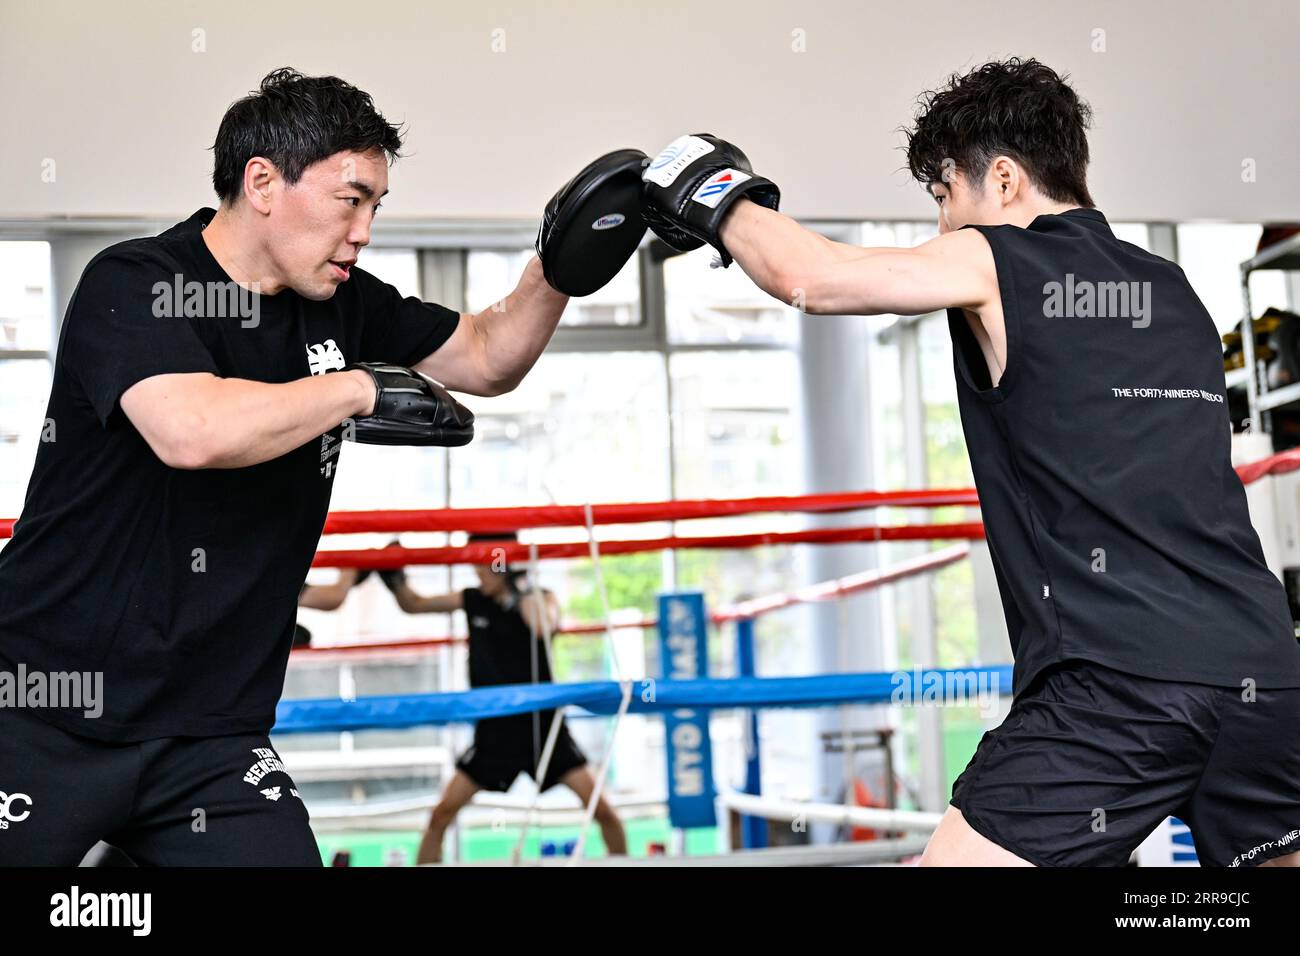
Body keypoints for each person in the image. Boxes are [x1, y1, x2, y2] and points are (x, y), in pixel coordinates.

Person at [639, 58, 1300, 867]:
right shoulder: (1175, 291)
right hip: (1266, 677)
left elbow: (811, 279)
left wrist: (710, 188)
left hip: (1118, 687)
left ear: (1006, 177)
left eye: (945, 197)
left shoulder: (1000, 260)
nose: (945, 227)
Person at [0, 67, 631, 866]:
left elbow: (486, 355)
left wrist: (560, 265)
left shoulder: (343, 303)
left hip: (212, 735)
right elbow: (193, 430)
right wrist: (358, 387)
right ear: (263, 182)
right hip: (37, 710)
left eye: (376, 205)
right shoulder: (136, 283)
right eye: (351, 198)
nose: (365, 229)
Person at [380, 532, 627, 863]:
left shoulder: (540, 597)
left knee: (603, 810)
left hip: (542, 728)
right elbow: (414, 604)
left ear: (503, 564)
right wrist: (393, 574)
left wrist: (519, 585)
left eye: (483, 564)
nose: (476, 571)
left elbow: (542, 626)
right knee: (441, 816)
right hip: (495, 732)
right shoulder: (472, 598)